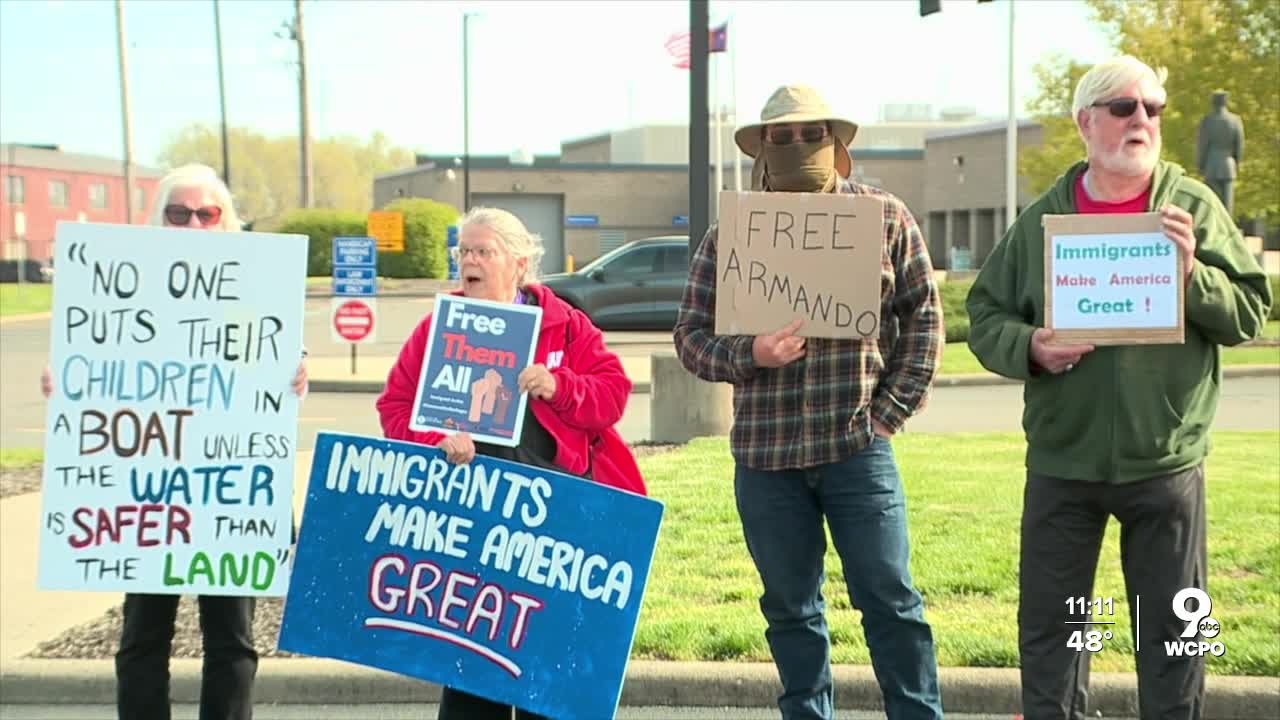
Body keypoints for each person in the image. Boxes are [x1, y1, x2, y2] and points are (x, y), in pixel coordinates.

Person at [965, 56, 1272, 720]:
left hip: (1166, 466)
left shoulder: (1193, 207)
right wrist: (1031, 347)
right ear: (1086, 122)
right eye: (1125, 107)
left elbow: (1250, 311)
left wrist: (1192, 277)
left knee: (1174, 640)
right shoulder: (1043, 219)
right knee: (1053, 639)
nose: (1143, 121)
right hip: (1063, 463)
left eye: (1153, 109)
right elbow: (985, 316)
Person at [673, 85, 945, 720]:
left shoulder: (884, 216)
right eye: (782, 136)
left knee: (891, 600)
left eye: (811, 133)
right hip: (766, 458)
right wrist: (750, 354)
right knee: (790, 609)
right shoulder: (731, 234)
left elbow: (925, 319)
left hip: (857, 448)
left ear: (835, 141)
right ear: (763, 147)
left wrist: (888, 416)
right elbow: (689, 336)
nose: (797, 144)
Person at [40, 163, 308, 720]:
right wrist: (66, 383)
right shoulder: (123, 281)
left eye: (206, 213)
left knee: (232, 640)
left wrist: (296, 373)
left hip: (230, 494)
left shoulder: (260, 285)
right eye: (178, 213)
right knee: (142, 636)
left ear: (225, 220)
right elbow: (95, 369)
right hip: (147, 495)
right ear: (158, 218)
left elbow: (277, 366)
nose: (193, 224)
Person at [375, 205, 646, 720]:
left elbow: (612, 396)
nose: (469, 262)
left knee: (545, 664)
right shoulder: (438, 328)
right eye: (464, 251)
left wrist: (559, 386)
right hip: (471, 515)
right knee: (473, 664)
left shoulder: (566, 326)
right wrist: (436, 438)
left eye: (484, 251)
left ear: (519, 264)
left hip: (552, 519)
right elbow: (395, 406)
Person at [1196, 89, 1245, 214]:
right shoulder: (1235, 120)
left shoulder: (1207, 121)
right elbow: (1239, 145)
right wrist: (1237, 162)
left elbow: (1203, 145)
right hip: (1228, 165)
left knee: (1212, 204)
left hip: (1211, 164)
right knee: (1228, 205)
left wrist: (1200, 164)